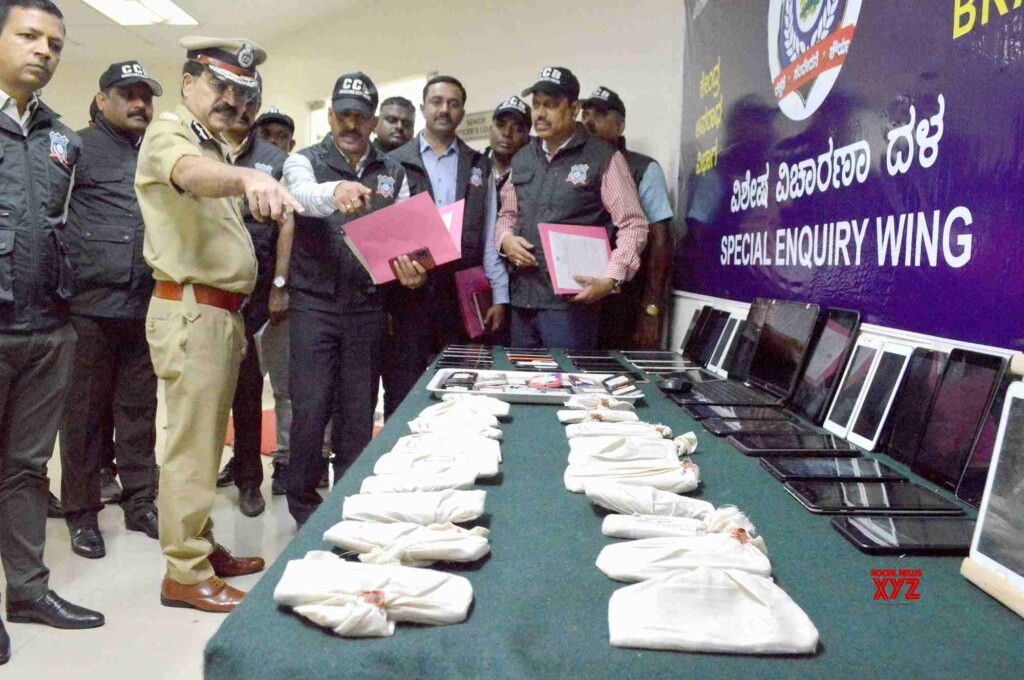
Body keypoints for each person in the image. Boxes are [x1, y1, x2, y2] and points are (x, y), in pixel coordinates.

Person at [136, 36, 302, 612]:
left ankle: (201, 547)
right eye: (219, 86)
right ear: (187, 83)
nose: (232, 101)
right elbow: (189, 174)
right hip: (192, 309)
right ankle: (184, 572)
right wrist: (249, 178)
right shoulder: (171, 134)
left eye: (243, 94)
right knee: (191, 448)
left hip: (220, 314)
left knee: (206, 445)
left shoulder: (214, 146)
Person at [0, 0, 105, 663]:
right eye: (28, 36)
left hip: (49, 326)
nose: (43, 50)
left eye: (55, 44)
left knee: (28, 470)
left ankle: (28, 590)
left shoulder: (61, 137)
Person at [282, 71, 426, 527]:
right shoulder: (304, 160)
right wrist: (335, 191)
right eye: (343, 114)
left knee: (358, 411)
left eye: (360, 117)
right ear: (329, 116)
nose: (351, 124)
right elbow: (300, 197)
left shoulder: (394, 172)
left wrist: (413, 270)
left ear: (373, 121)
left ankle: (348, 499)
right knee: (311, 408)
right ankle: (303, 503)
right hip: (314, 305)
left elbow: (406, 237)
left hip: (367, 307)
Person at [59, 60, 163, 559]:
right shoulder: (75, 147)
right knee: (82, 418)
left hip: (144, 304)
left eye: (146, 96)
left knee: (139, 413)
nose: (139, 104)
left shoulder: (157, 152)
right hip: (89, 306)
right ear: (102, 101)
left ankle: (141, 502)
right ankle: (81, 514)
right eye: (127, 94)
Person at [495, 66, 648, 350]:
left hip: (572, 305)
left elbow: (633, 224)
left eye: (551, 105)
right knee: (520, 378)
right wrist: (505, 240)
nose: (540, 114)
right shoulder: (523, 158)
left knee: (567, 377)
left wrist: (611, 278)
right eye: (536, 105)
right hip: (522, 301)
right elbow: (507, 215)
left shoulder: (602, 157)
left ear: (574, 109)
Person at [386, 75, 508, 417]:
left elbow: (489, 235)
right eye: (437, 102)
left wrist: (499, 295)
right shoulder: (394, 162)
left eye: (453, 104)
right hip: (408, 293)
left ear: (462, 113)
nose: (444, 110)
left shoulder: (479, 165)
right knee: (404, 390)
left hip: (460, 295)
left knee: (460, 391)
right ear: (423, 107)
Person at [219, 78, 292, 516]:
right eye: (235, 99)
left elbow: (286, 224)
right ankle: (198, 477)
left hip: (257, 292)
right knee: (207, 391)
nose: (241, 108)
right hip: (209, 288)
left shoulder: (275, 161)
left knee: (248, 390)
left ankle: (249, 481)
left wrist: (280, 284)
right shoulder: (201, 152)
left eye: (250, 101)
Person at [582, 86, 674, 350]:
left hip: (626, 301)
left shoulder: (643, 168)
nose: (588, 122)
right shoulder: (575, 167)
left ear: (620, 125)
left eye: (599, 115)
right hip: (581, 298)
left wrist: (651, 308)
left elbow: (661, 241)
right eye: (585, 115)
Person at [485, 95, 531, 200]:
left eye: (517, 129)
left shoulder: (535, 172)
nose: (507, 133)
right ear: (490, 129)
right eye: (501, 125)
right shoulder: (474, 166)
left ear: (527, 137)